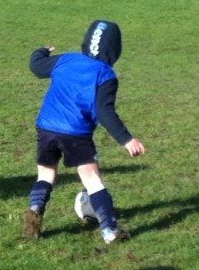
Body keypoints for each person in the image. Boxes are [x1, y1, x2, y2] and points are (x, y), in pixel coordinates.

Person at [22, 19, 145, 244]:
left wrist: (40, 51)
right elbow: (104, 112)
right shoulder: (106, 75)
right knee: (92, 179)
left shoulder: (66, 60)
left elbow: (37, 66)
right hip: (76, 133)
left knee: (46, 175)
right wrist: (126, 139)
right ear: (115, 50)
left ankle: (34, 212)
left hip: (47, 127)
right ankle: (110, 231)